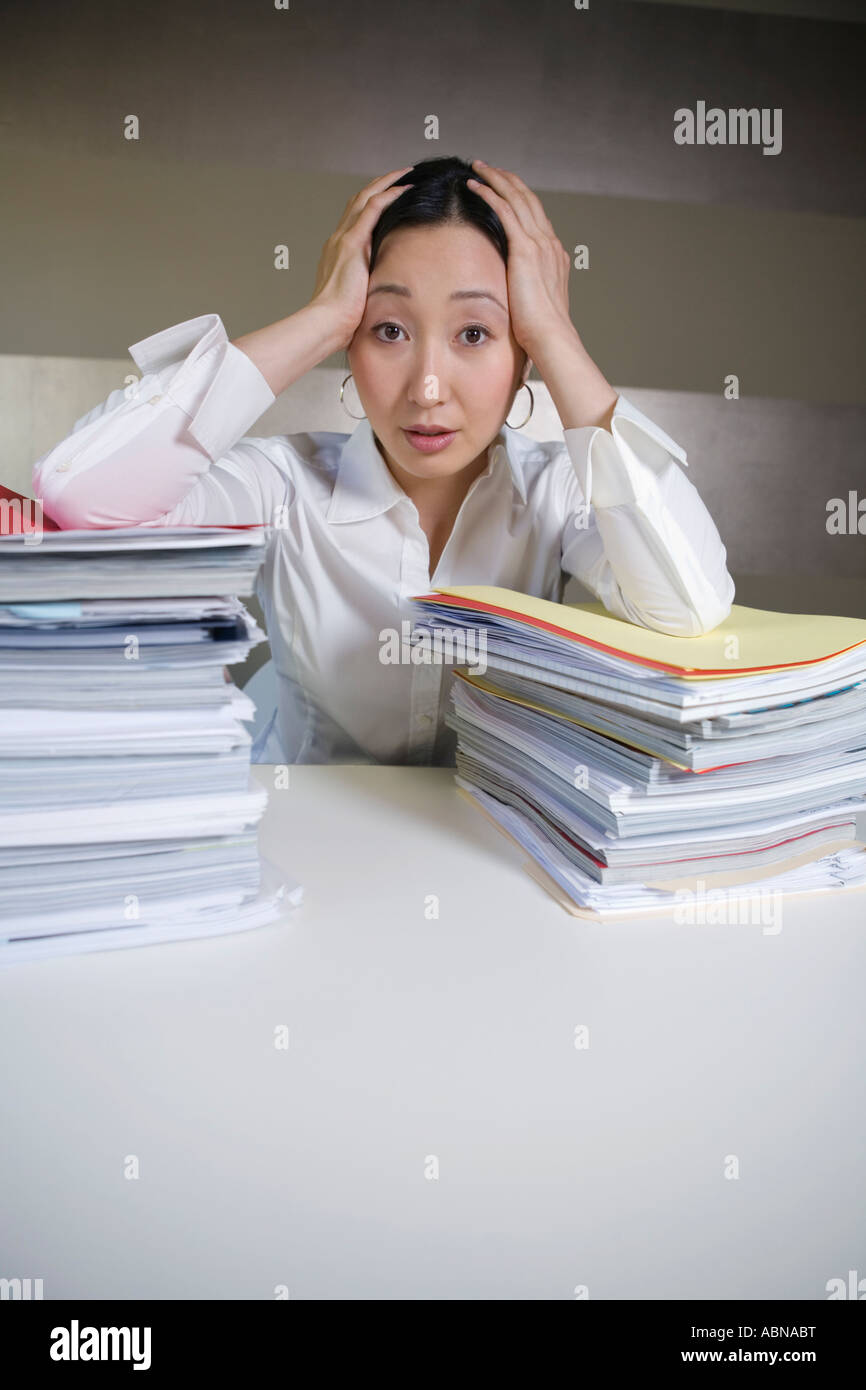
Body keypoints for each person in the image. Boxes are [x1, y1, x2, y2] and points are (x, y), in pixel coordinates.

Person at [32, 156, 735, 765]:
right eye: (388, 329)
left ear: (523, 353)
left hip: (483, 851)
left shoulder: (556, 491)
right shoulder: (287, 485)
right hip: (300, 839)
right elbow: (87, 497)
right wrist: (322, 319)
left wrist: (555, 335)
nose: (427, 388)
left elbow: (689, 605)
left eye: (475, 333)